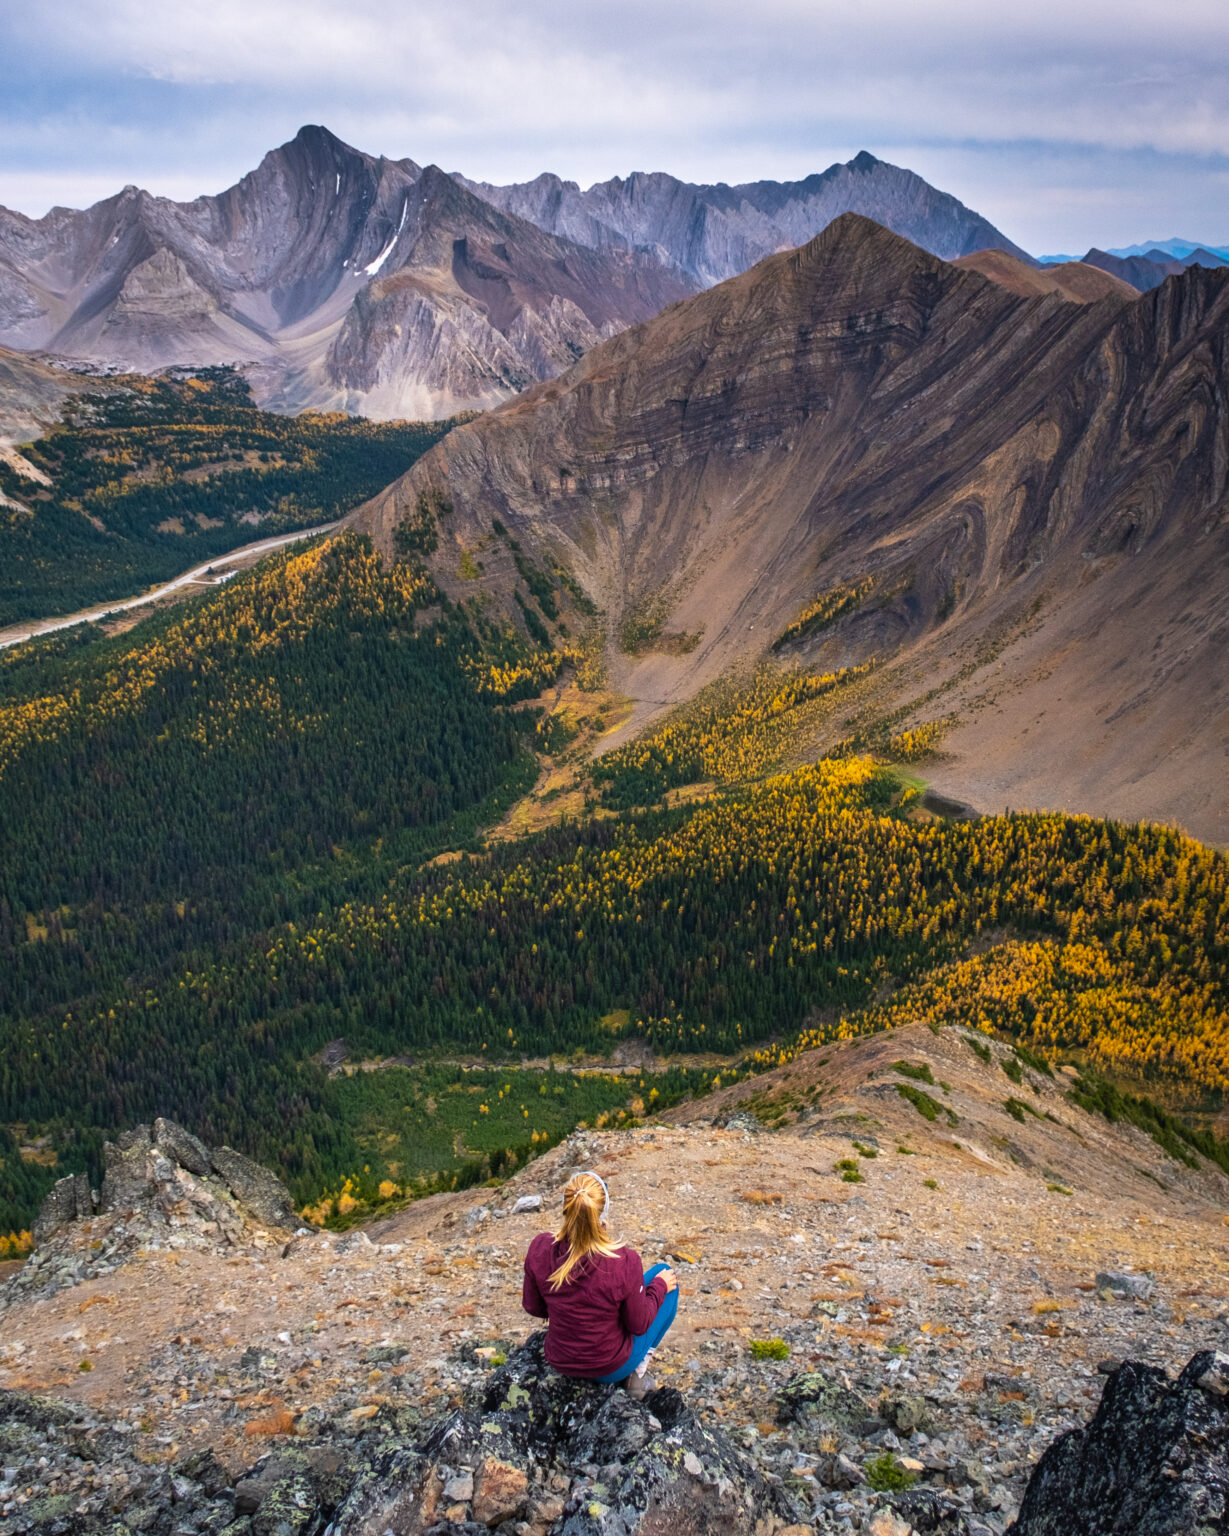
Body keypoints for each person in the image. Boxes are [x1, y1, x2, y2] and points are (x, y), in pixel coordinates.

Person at [522, 1170, 679, 1397]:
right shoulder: (624, 1261)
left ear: (566, 1209)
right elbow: (639, 1325)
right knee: (663, 1274)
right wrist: (660, 1287)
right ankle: (637, 1372)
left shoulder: (540, 1248)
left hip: (561, 1359)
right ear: (603, 1215)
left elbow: (533, 1307)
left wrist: (566, 1307)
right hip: (610, 1367)